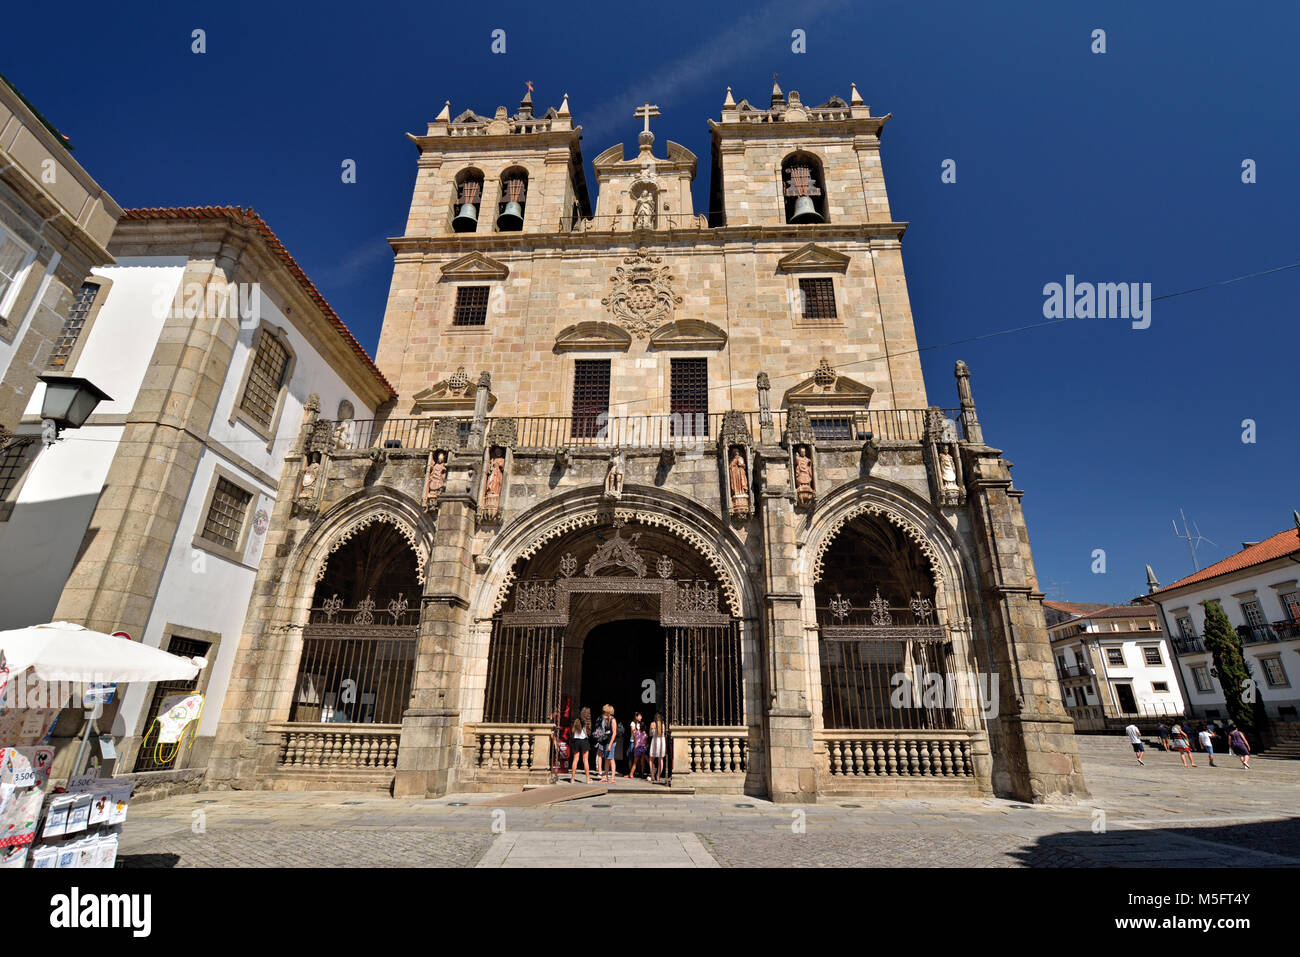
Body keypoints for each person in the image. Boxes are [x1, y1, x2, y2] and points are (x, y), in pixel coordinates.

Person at [594, 704, 618, 784]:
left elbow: (614, 733)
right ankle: (606, 776)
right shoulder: (606, 720)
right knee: (606, 759)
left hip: (611, 742)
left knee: (611, 759)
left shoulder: (613, 720)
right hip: (606, 741)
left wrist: (610, 745)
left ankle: (613, 777)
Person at [569, 708, 591, 784]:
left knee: (575, 759)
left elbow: (572, 731)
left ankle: (572, 779)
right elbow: (588, 733)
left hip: (576, 740)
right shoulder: (587, 722)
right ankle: (588, 779)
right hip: (584, 740)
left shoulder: (577, 720)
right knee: (585, 760)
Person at [626, 712, 648, 779]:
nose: (641, 717)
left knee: (638, 760)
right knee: (632, 758)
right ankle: (632, 772)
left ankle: (636, 773)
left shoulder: (640, 727)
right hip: (635, 743)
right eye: (640, 716)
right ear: (636, 717)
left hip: (637, 746)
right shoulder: (633, 723)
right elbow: (633, 731)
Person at [648, 712, 668, 784]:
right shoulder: (663, 725)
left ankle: (652, 776)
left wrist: (652, 730)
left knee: (651, 759)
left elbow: (650, 734)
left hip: (655, 742)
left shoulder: (652, 724)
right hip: (662, 742)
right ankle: (658, 776)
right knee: (661, 759)